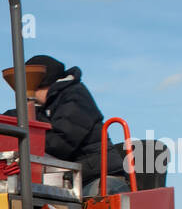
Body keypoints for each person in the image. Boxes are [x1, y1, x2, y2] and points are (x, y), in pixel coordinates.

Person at [23, 55, 127, 195]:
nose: (28, 97)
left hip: (99, 177)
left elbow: (61, 143)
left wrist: (28, 138)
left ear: (42, 83)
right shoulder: (46, 108)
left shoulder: (74, 97)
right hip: (77, 180)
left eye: (30, 91)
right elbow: (13, 116)